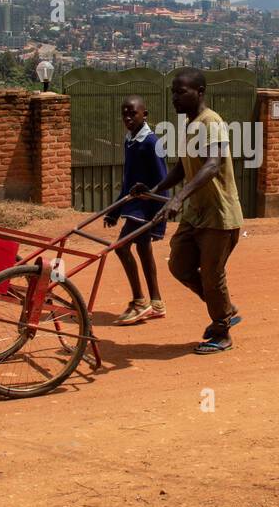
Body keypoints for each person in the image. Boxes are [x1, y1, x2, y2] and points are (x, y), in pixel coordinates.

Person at [141, 68, 243, 354]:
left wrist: (178, 198)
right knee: (179, 265)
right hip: (197, 213)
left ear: (199, 92)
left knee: (212, 273)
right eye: (173, 91)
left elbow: (212, 165)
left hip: (219, 215)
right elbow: (181, 166)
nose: (174, 97)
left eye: (180, 91)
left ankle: (222, 332)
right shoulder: (190, 124)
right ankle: (224, 308)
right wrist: (158, 189)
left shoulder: (212, 122)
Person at [104, 94, 168, 325]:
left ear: (145, 114)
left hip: (148, 207)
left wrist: (162, 210)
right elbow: (128, 180)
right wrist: (114, 209)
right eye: (124, 113)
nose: (128, 117)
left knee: (120, 248)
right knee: (143, 250)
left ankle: (140, 301)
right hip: (134, 206)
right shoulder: (130, 140)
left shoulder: (152, 143)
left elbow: (164, 179)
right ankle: (157, 302)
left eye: (133, 113)